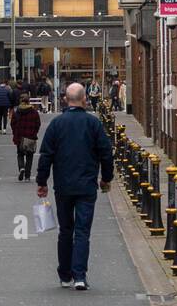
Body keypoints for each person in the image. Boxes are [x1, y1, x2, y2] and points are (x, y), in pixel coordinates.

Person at [35, 82, 114, 291]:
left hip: (63, 187)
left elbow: (46, 156)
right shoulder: (93, 124)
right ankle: (80, 275)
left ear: (65, 100)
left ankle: (65, 274)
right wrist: (106, 178)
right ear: (84, 99)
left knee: (65, 230)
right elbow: (106, 153)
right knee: (82, 231)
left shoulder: (56, 125)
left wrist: (42, 182)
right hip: (87, 186)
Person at [10, 91, 42, 181]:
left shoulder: (17, 112)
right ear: (29, 101)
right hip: (30, 136)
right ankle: (27, 176)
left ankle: (21, 168)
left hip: (19, 136)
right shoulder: (34, 112)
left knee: (20, 154)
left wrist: (15, 132)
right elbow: (37, 124)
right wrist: (34, 132)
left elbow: (13, 124)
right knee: (29, 156)